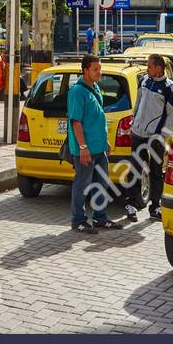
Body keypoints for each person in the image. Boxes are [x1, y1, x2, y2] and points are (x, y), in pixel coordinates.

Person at [66, 54, 122, 233]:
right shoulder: (77, 92)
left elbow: (96, 118)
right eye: (95, 69)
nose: (99, 72)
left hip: (99, 148)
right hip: (86, 149)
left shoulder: (95, 87)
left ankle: (100, 218)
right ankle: (78, 220)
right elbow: (76, 122)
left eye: (100, 69)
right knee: (82, 185)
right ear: (85, 70)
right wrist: (83, 147)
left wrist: (105, 141)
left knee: (102, 183)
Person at [125, 54, 173, 221]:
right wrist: (134, 123)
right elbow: (138, 104)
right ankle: (132, 204)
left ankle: (155, 206)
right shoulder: (144, 81)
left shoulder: (170, 88)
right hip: (138, 134)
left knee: (156, 172)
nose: (147, 69)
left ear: (158, 68)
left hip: (156, 138)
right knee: (135, 168)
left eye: (149, 66)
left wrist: (164, 137)